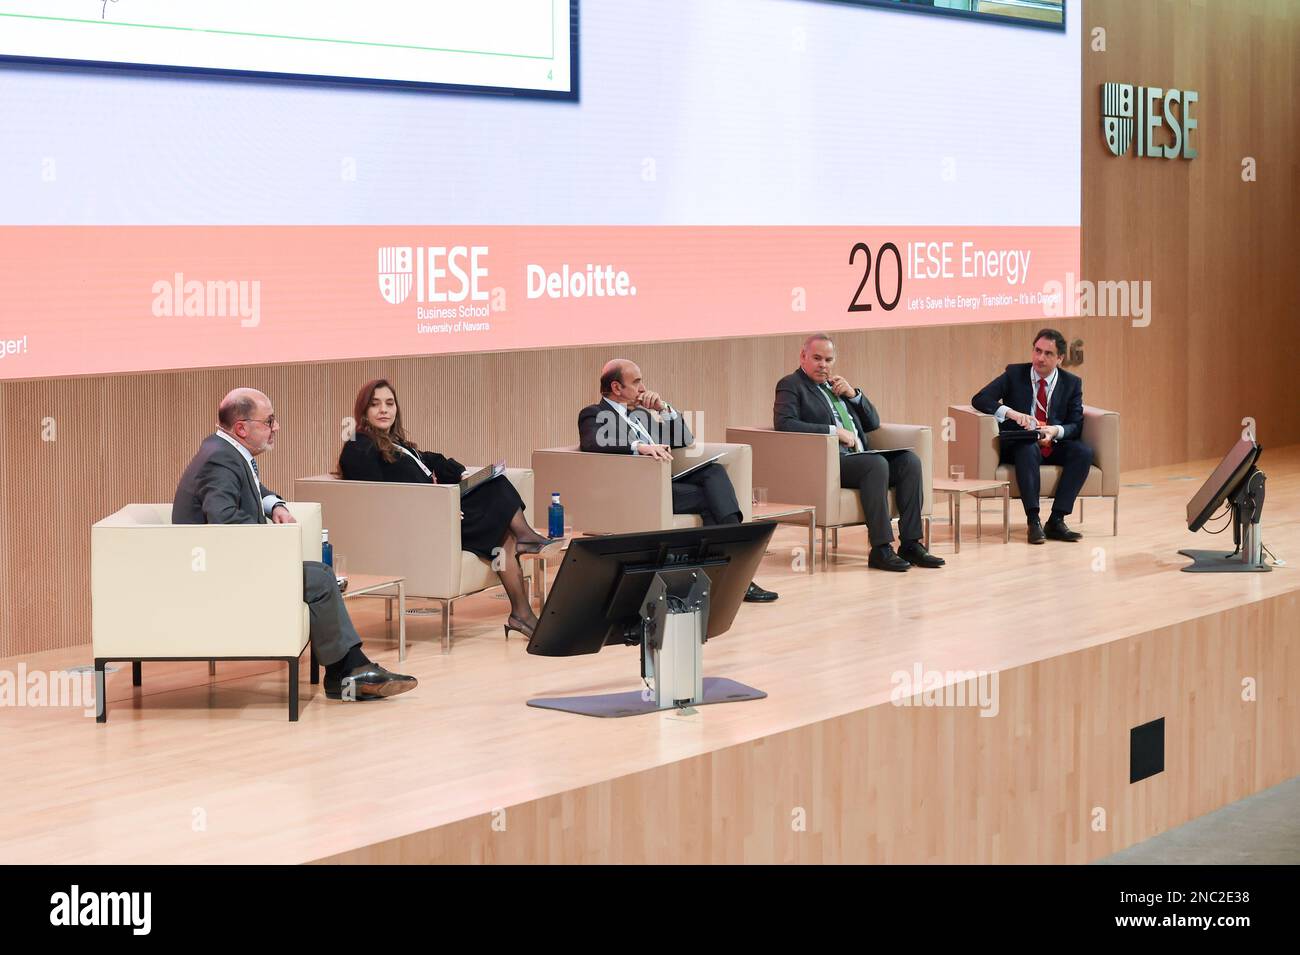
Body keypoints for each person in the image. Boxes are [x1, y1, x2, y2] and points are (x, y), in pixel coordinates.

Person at [173, 388, 417, 701]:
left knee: (321, 574)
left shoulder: (224, 451)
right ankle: (348, 671)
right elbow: (225, 521)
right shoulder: (219, 460)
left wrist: (274, 505)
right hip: (219, 575)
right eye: (269, 421)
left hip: (228, 563)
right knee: (319, 579)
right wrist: (278, 541)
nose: (276, 428)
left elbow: (253, 488)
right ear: (242, 428)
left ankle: (346, 672)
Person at [337, 378, 556, 639]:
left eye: (389, 403)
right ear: (363, 411)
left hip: (444, 511)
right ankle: (525, 561)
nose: (384, 410)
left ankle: (521, 609)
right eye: (375, 405)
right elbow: (382, 498)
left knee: (496, 489)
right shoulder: (358, 446)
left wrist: (460, 474)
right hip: (425, 523)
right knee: (501, 516)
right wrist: (439, 508)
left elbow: (434, 460)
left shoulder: (397, 443)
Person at [578, 359, 778, 602]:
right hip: (640, 490)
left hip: (667, 484)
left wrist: (664, 409)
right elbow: (594, 443)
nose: (643, 388)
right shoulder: (594, 413)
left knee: (714, 472)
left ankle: (725, 574)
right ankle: (738, 570)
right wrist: (638, 447)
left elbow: (684, 439)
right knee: (713, 500)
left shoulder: (640, 415)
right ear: (617, 387)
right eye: (637, 382)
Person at [774, 333, 943, 572]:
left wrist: (853, 395)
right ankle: (881, 549)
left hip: (860, 457)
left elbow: (873, 422)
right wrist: (834, 431)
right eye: (817, 358)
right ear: (803, 357)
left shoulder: (835, 387)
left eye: (829, 360)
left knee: (909, 461)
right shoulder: (791, 385)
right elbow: (785, 423)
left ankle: (911, 543)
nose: (823, 365)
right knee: (876, 465)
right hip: (831, 461)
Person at [971, 328, 1091, 544]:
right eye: (1037, 351)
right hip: (1022, 443)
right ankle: (1033, 521)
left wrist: (1055, 431)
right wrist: (1010, 412)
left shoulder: (1072, 383)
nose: (1040, 358)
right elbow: (979, 399)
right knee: (1027, 448)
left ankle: (1056, 520)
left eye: (1048, 354)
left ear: (1060, 358)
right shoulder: (1015, 374)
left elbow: (1076, 424)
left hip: (1052, 442)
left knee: (1083, 452)